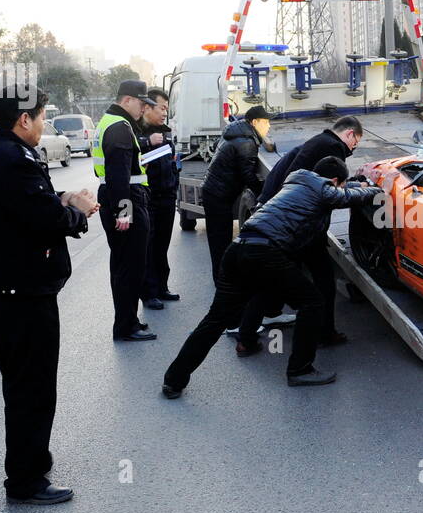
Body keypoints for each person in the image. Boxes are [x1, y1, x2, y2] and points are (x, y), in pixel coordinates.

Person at [0, 88, 98, 505]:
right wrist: (77, 212)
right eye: (41, 117)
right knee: (31, 387)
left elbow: (27, 209)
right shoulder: (9, 159)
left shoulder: (4, 154)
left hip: (17, 290)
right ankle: (25, 481)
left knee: (28, 384)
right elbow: (43, 218)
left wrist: (63, 201)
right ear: (24, 119)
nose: (44, 125)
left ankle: (33, 462)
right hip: (18, 295)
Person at [162, 156, 379, 396]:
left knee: (216, 320)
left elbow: (341, 191)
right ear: (334, 180)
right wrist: (376, 190)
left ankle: (174, 380)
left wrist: (357, 184)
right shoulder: (324, 189)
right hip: (265, 252)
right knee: (312, 302)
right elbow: (343, 197)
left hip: (239, 248)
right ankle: (300, 369)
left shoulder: (297, 182)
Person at [234, 116, 362, 355]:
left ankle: (246, 337)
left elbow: (329, 186)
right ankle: (321, 336)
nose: (354, 148)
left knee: (271, 283)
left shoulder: (317, 142)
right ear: (350, 134)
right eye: (356, 143)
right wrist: (370, 187)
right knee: (321, 282)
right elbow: (336, 193)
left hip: (279, 225)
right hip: (296, 230)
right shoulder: (333, 147)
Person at [94, 79, 158, 341]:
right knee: (129, 267)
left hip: (119, 197)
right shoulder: (120, 127)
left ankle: (128, 321)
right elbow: (118, 173)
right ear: (127, 100)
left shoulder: (109, 122)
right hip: (126, 198)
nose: (144, 108)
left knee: (124, 266)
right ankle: (125, 326)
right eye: (142, 103)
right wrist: (124, 211)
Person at [201, 104, 272, 282]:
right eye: (266, 122)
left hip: (214, 192)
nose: (269, 126)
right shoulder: (246, 142)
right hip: (218, 196)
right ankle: (223, 282)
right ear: (254, 122)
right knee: (221, 241)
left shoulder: (236, 132)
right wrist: (266, 194)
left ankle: (223, 278)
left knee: (218, 240)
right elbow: (248, 176)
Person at [140, 87, 180, 310]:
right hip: (149, 197)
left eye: (167, 108)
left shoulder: (165, 132)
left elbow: (171, 162)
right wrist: (147, 142)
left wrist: (173, 185)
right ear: (148, 107)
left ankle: (162, 287)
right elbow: (131, 157)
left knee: (162, 245)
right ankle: (149, 293)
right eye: (161, 108)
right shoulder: (137, 132)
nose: (165, 112)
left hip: (167, 197)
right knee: (149, 246)